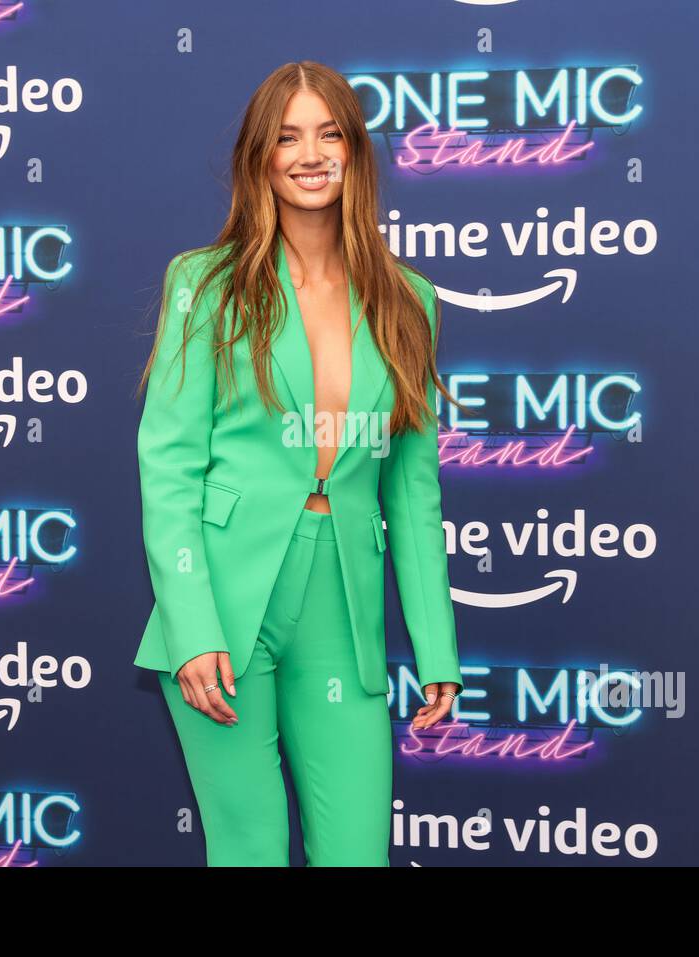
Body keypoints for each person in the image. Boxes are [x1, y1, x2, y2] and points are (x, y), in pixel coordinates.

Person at [133, 60, 463, 867]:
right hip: (221, 605)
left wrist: (437, 649)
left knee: (355, 854)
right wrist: (191, 627)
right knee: (249, 851)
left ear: (355, 152)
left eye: (329, 134)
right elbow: (168, 464)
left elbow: (412, 490)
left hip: (341, 609)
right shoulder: (203, 284)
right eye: (287, 137)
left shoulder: (408, 299)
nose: (309, 154)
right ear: (260, 158)